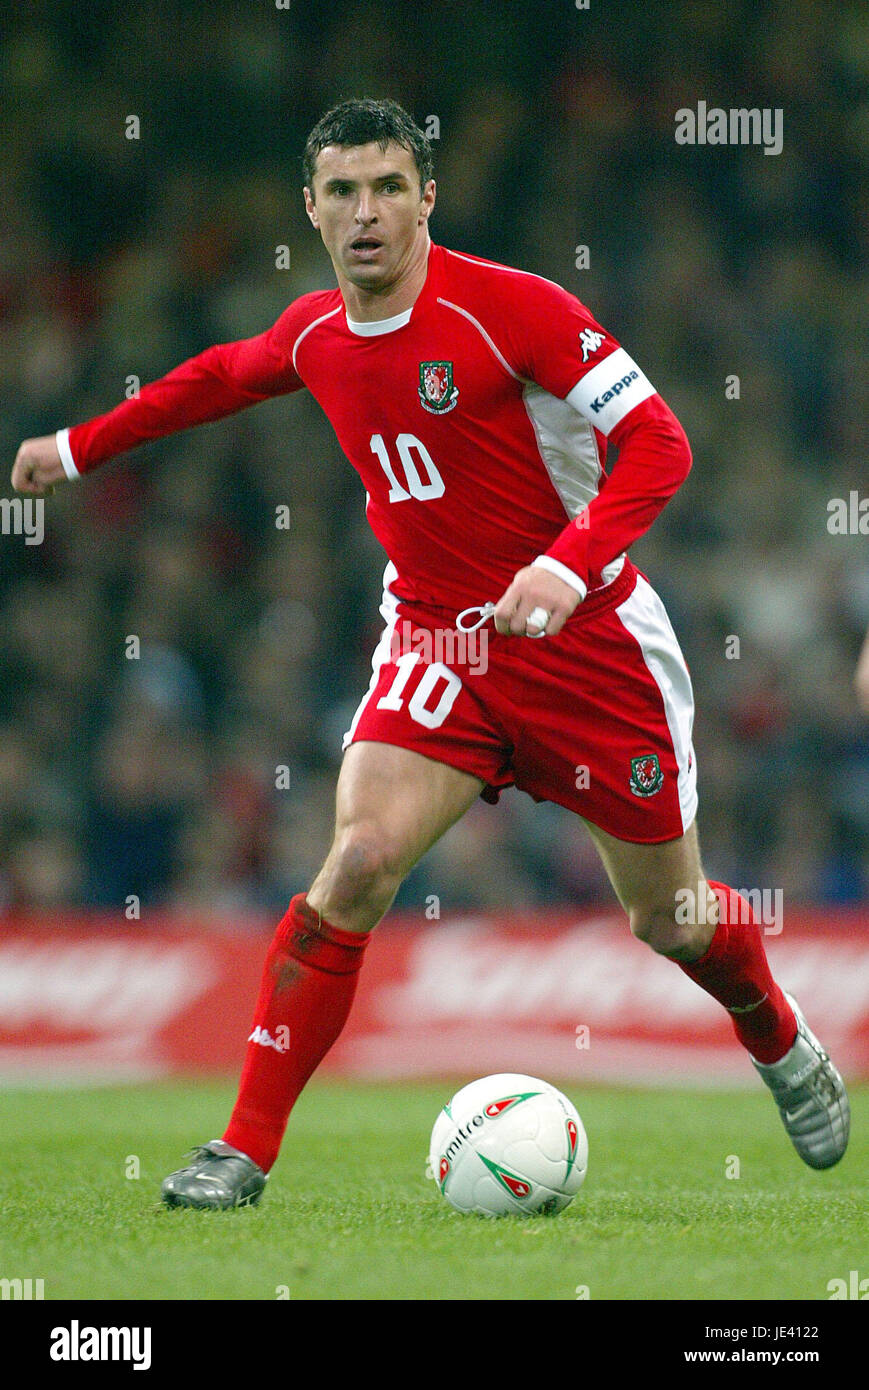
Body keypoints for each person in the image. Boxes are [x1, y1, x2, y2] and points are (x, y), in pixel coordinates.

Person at [12, 99, 849, 1209]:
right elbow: (217, 377)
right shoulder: (314, 332)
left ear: (426, 199)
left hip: (590, 648)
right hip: (437, 644)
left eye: (388, 188)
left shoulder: (515, 309)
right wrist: (78, 446)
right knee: (358, 861)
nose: (366, 212)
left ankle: (775, 1032)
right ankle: (242, 1150)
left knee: (670, 919)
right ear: (311, 208)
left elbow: (660, 442)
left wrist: (564, 564)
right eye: (343, 191)